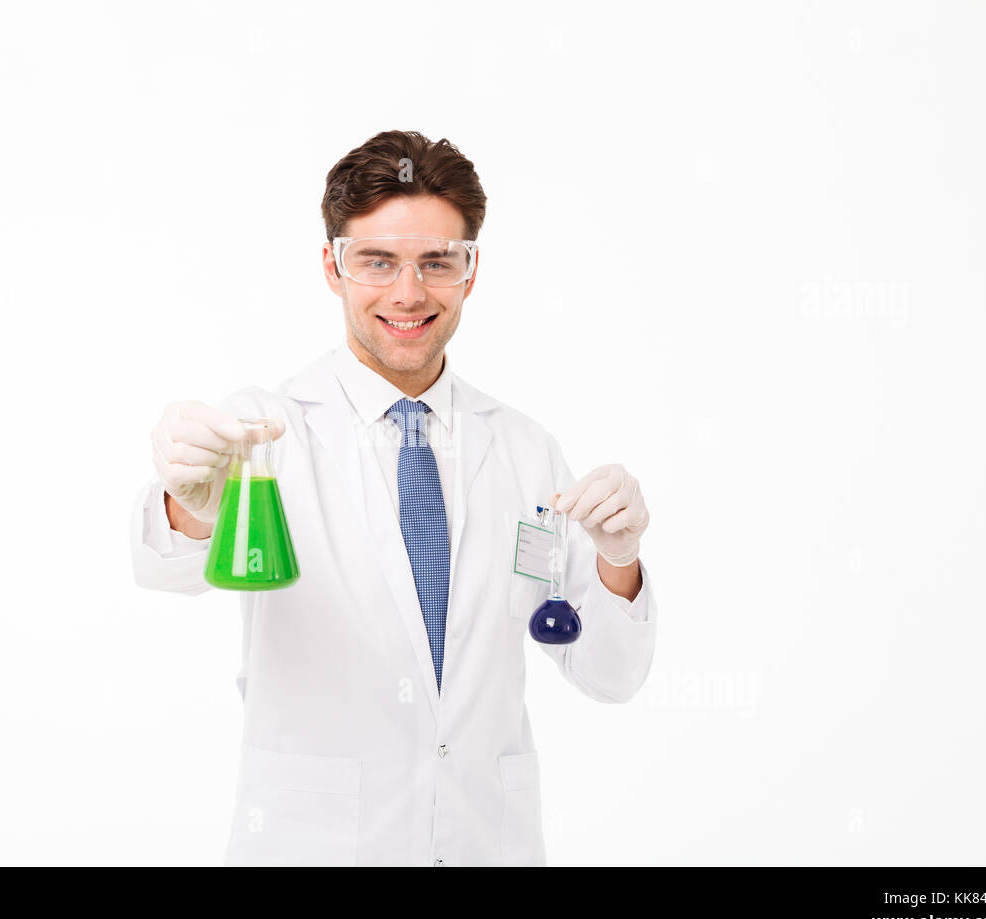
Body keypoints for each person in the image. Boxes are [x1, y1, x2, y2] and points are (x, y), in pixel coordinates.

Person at [130, 130, 656, 866]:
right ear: (333, 267)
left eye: (436, 262)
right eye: (377, 261)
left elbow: (608, 673)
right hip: (312, 846)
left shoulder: (524, 450)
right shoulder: (261, 434)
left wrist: (618, 563)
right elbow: (165, 569)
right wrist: (189, 501)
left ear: (470, 272)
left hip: (485, 842)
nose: (408, 293)